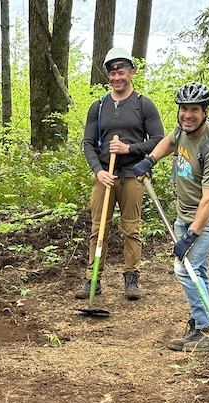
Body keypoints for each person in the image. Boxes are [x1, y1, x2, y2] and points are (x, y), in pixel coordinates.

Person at [133, 82, 209, 352]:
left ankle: (204, 329)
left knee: (184, 269)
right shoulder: (182, 130)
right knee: (197, 270)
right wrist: (150, 160)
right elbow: (169, 140)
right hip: (184, 213)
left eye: (194, 110)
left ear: (206, 111)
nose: (187, 115)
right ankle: (204, 323)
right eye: (183, 109)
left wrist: (190, 236)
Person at [79, 48, 164, 301]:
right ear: (108, 76)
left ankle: (131, 277)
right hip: (105, 176)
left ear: (131, 72)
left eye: (122, 71)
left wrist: (130, 149)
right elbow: (87, 143)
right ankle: (93, 277)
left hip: (132, 175)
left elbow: (159, 140)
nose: (117, 77)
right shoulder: (99, 106)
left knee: (131, 228)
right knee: (99, 228)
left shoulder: (143, 104)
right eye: (113, 72)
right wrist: (99, 171)